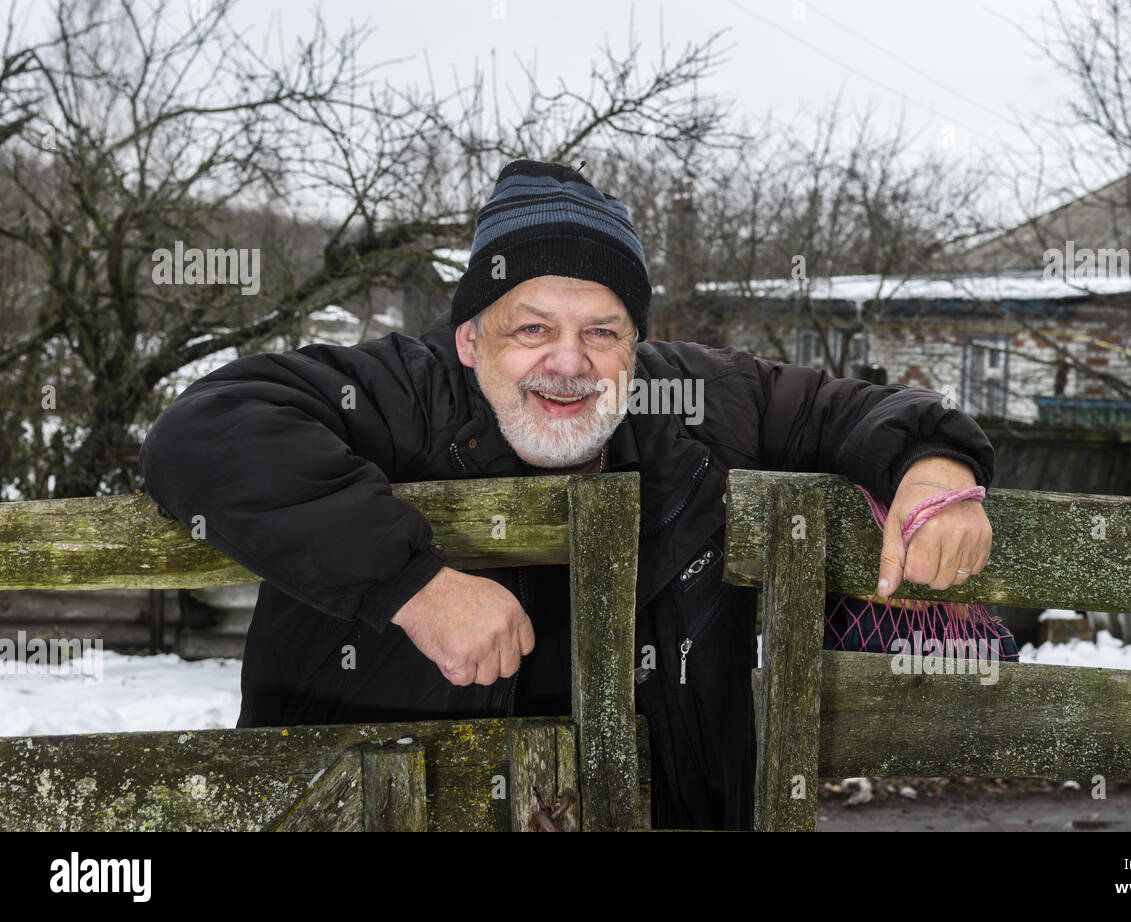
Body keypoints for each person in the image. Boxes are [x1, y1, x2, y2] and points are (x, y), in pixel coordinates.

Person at [139, 158, 996, 830]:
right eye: (533, 328)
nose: (569, 362)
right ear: (471, 340)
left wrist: (936, 469)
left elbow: (865, 409)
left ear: (637, 346)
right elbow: (204, 430)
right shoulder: (394, 393)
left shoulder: (696, 402)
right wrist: (409, 585)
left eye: (601, 332)